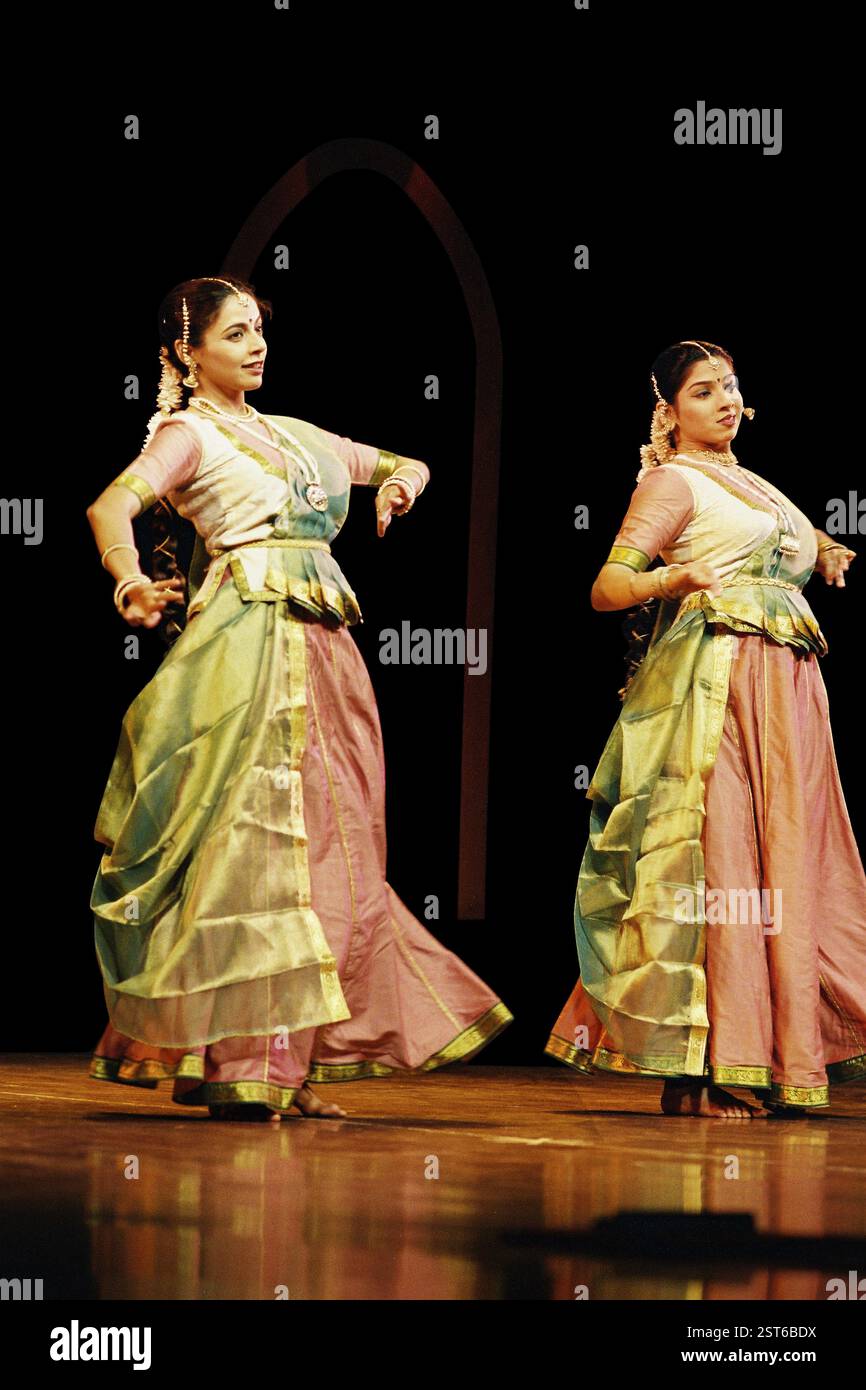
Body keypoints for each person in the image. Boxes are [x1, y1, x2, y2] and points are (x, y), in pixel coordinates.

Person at [86, 275, 512, 1122]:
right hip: (248, 645)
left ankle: (289, 1057)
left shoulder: (294, 434)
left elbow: (406, 461)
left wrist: (398, 486)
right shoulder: (187, 435)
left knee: (330, 846)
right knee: (251, 846)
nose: (256, 345)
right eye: (235, 333)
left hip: (327, 651)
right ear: (187, 351)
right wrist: (128, 580)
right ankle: (243, 1057)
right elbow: (111, 505)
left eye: (259, 330)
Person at [545, 339, 866, 1118]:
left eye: (729, 387)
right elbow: (608, 586)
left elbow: (774, 535)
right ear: (668, 411)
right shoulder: (672, 483)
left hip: (784, 697)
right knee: (719, 863)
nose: (724, 401)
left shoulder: (747, 480)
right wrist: (673, 577)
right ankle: (710, 1062)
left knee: (782, 861)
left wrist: (823, 551)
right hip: (715, 695)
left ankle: (772, 1054)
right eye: (701, 392)